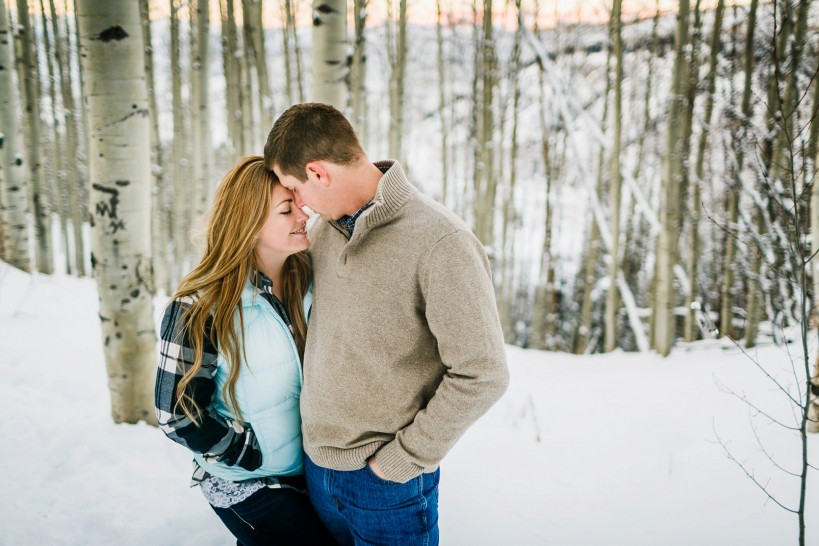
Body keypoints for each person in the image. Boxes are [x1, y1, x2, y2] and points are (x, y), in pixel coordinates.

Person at [263, 103, 510, 546]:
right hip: (317, 471)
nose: (298, 204)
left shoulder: (441, 242)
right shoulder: (322, 233)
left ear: (318, 173)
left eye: (293, 188)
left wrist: (402, 460)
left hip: (386, 486)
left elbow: (482, 373)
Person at [154, 156, 336, 546]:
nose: (303, 215)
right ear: (248, 223)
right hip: (247, 481)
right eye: (286, 210)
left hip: (309, 471)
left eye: (299, 204)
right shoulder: (199, 307)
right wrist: (246, 451)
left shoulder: (310, 280)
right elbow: (176, 414)